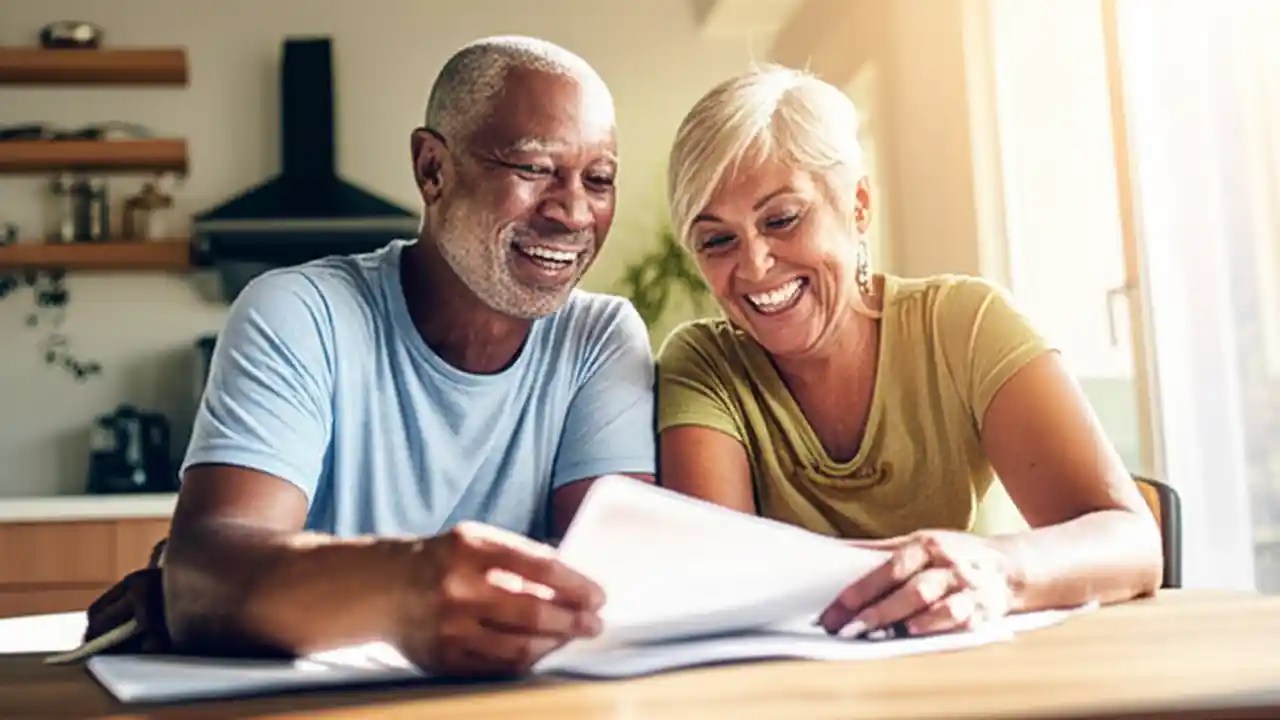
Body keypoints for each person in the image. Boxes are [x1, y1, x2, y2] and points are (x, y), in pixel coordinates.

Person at [126, 36, 654, 677]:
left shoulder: (597, 338)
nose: (574, 212)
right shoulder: (301, 312)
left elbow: (610, 586)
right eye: (533, 169)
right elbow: (204, 580)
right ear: (432, 169)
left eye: (598, 180)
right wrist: (406, 583)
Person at [657, 65, 1162, 639]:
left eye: (782, 219)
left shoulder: (963, 325)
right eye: (717, 239)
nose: (753, 265)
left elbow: (1133, 539)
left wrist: (995, 568)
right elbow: (724, 580)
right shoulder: (702, 366)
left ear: (859, 206)